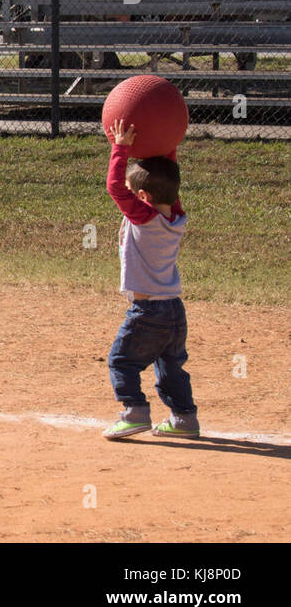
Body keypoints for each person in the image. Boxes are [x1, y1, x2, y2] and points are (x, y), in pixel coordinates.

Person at [102, 119, 198, 440]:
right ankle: (184, 418)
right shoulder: (176, 216)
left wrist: (121, 148)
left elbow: (115, 187)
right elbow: (170, 182)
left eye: (133, 195)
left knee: (120, 360)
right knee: (171, 368)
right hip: (173, 311)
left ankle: (135, 412)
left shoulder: (145, 217)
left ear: (142, 196)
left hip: (148, 313)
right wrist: (165, 143)